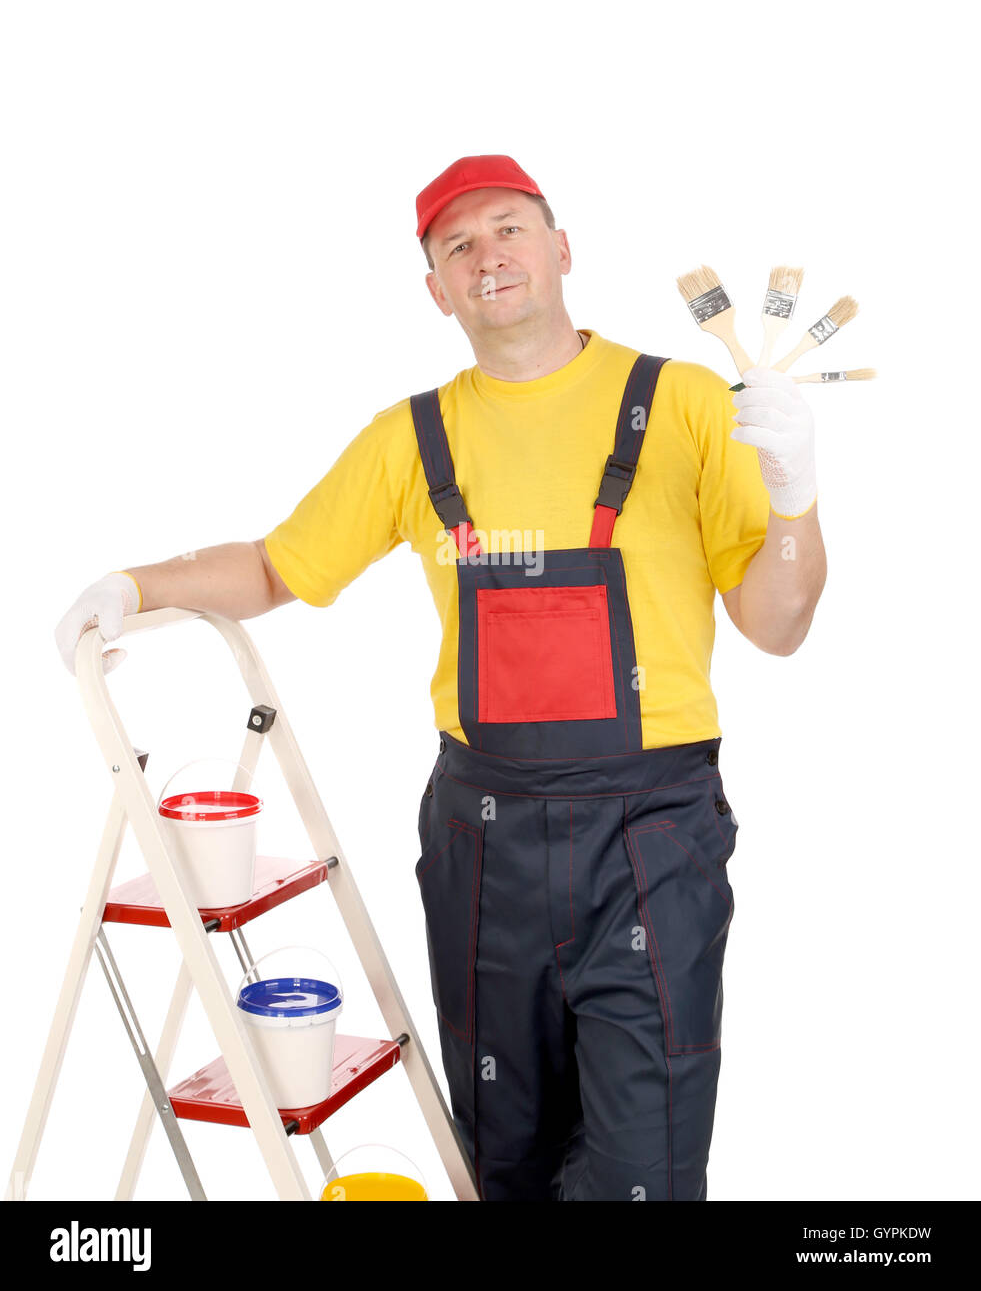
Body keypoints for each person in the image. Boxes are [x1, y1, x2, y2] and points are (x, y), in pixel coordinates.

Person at [55, 153, 827, 1202]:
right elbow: (277, 565)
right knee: (501, 1156)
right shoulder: (410, 438)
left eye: (508, 228)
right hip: (486, 841)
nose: (486, 256)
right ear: (436, 290)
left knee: (645, 1164)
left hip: (652, 836)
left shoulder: (682, 401)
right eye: (456, 245)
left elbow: (776, 625)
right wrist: (131, 586)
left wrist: (794, 496)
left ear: (561, 248)